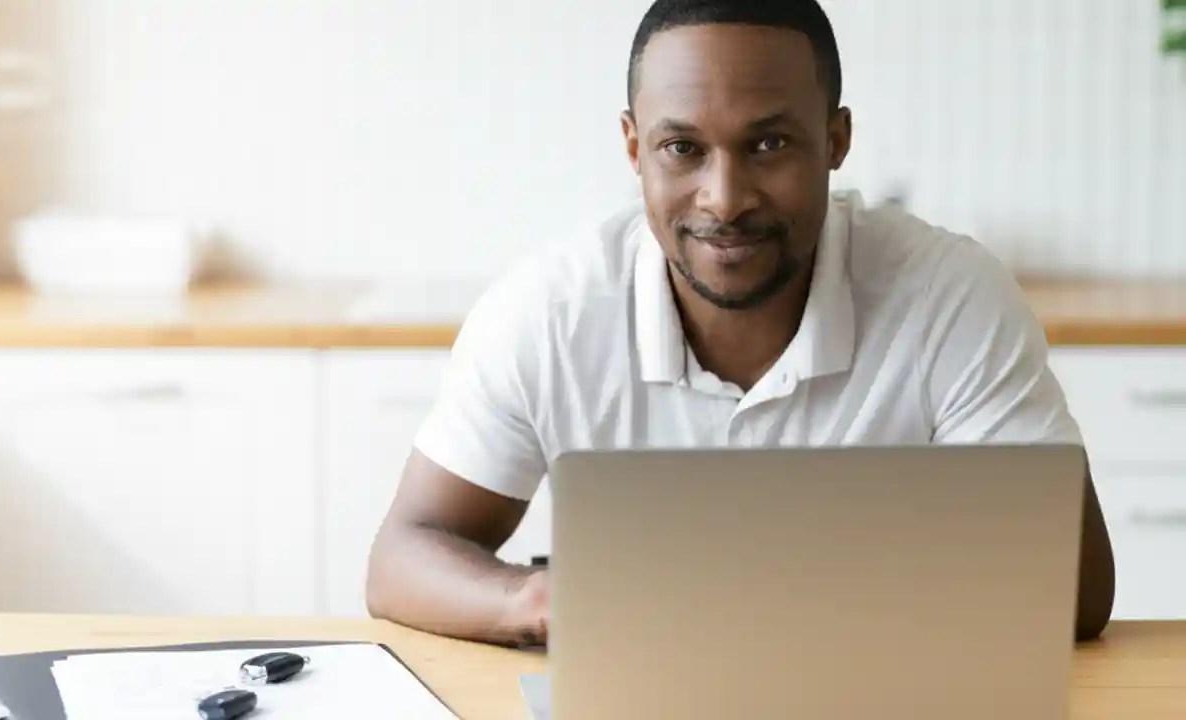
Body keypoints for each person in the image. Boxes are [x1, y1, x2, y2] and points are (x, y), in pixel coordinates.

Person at [366, 0, 1115, 646]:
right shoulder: (546, 314)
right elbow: (403, 554)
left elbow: (1073, 593)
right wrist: (538, 601)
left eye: (769, 144)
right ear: (634, 147)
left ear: (837, 140)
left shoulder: (950, 296)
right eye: (682, 148)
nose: (724, 199)